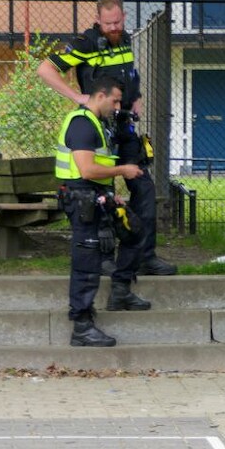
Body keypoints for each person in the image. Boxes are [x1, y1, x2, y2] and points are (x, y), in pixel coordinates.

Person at [37, 0, 177, 278]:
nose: (113, 28)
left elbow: (128, 75)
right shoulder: (85, 43)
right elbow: (45, 69)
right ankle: (102, 258)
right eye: (108, 23)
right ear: (98, 20)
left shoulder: (125, 40)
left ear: (124, 17)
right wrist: (77, 96)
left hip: (124, 126)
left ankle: (144, 256)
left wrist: (135, 97)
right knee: (102, 194)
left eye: (117, 22)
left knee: (144, 188)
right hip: (100, 129)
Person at [55, 76, 148, 347]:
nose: (118, 106)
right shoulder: (83, 124)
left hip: (93, 196)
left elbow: (94, 171)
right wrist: (123, 170)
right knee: (86, 262)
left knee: (134, 232)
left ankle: (117, 293)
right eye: (115, 100)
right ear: (99, 96)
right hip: (81, 199)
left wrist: (109, 194)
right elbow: (87, 169)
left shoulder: (97, 123)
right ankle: (82, 326)